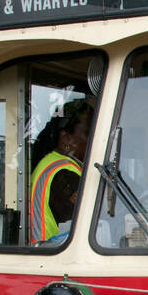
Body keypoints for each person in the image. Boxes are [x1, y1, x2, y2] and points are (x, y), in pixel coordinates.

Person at [29, 102, 93, 243]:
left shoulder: (51, 163)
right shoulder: (64, 173)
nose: (95, 139)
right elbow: (91, 225)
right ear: (66, 138)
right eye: (89, 133)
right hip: (51, 254)